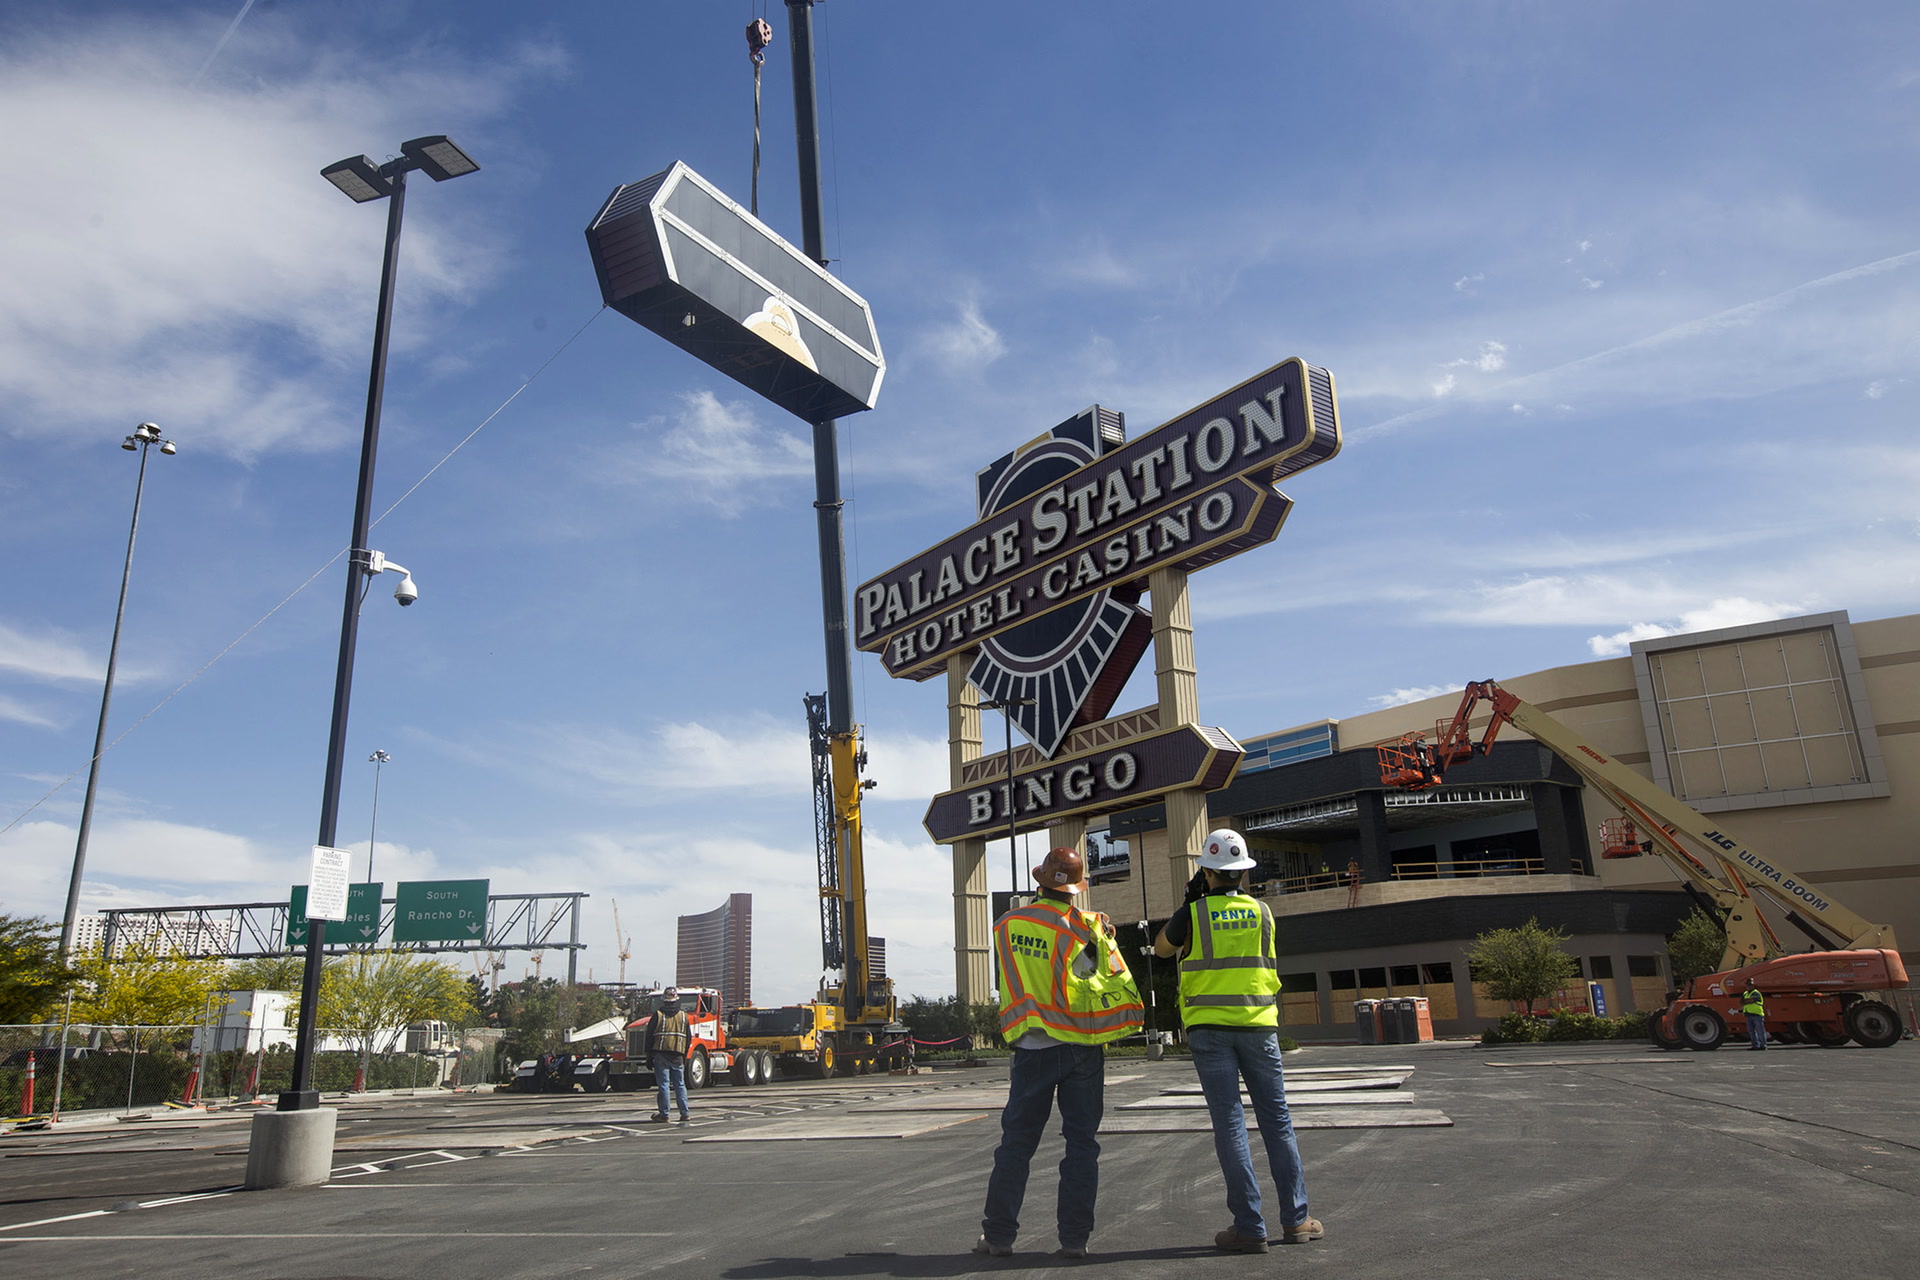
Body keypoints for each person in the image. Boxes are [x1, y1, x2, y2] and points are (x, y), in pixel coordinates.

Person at [1156, 829, 1322, 1253]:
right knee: (1277, 1121)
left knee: (1230, 1124)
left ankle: (1249, 1225)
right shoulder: (1265, 913)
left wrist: (1190, 902)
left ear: (1207, 872)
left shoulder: (1192, 914)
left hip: (1209, 1030)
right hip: (1259, 1026)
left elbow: (1160, 950)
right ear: (1243, 872)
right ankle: (1298, 1219)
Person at [975, 846, 1144, 1261]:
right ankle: (1074, 1239)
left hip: (1033, 1046)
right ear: (1076, 888)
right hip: (1083, 1048)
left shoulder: (1007, 924)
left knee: (1016, 1145)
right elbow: (1096, 976)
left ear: (1040, 881)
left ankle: (999, 1237)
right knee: (1082, 1144)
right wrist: (1099, 929)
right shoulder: (1089, 928)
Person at [649, 988, 692, 1123]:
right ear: (676, 1000)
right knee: (680, 1084)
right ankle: (685, 1113)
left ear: (664, 1001)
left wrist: (648, 1056)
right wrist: (684, 1054)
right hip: (678, 1055)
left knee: (664, 1085)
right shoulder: (684, 1016)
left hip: (661, 1054)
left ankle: (664, 1114)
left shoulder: (658, 1015)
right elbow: (688, 1037)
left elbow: (649, 1036)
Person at [1741, 979, 1768, 1051]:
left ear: (1753, 986)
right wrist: (1747, 1001)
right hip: (1748, 1015)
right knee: (1751, 1032)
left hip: (1757, 1014)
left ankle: (1763, 1045)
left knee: (1760, 1031)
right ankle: (1755, 1045)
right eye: (1747, 985)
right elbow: (1742, 1002)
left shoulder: (1756, 993)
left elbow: (1750, 1000)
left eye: (1750, 985)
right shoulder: (1745, 993)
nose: (1748, 986)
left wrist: (1747, 1000)